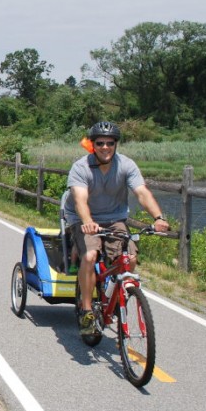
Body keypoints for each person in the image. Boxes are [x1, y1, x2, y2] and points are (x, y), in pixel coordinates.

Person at [64, 121, 170, 337]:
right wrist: (87, 221)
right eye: (100, 143)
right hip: (84, 219)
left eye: (110, 143)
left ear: (116, 144)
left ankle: (113, 292)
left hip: (114, 218)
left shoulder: (126, 165)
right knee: (90, 256)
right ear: (93, 145)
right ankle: (87, 311)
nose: (105, 147)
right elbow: (80, 199)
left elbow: (142, 193)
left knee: (129, 258)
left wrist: (158, 218)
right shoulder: (81, 167)